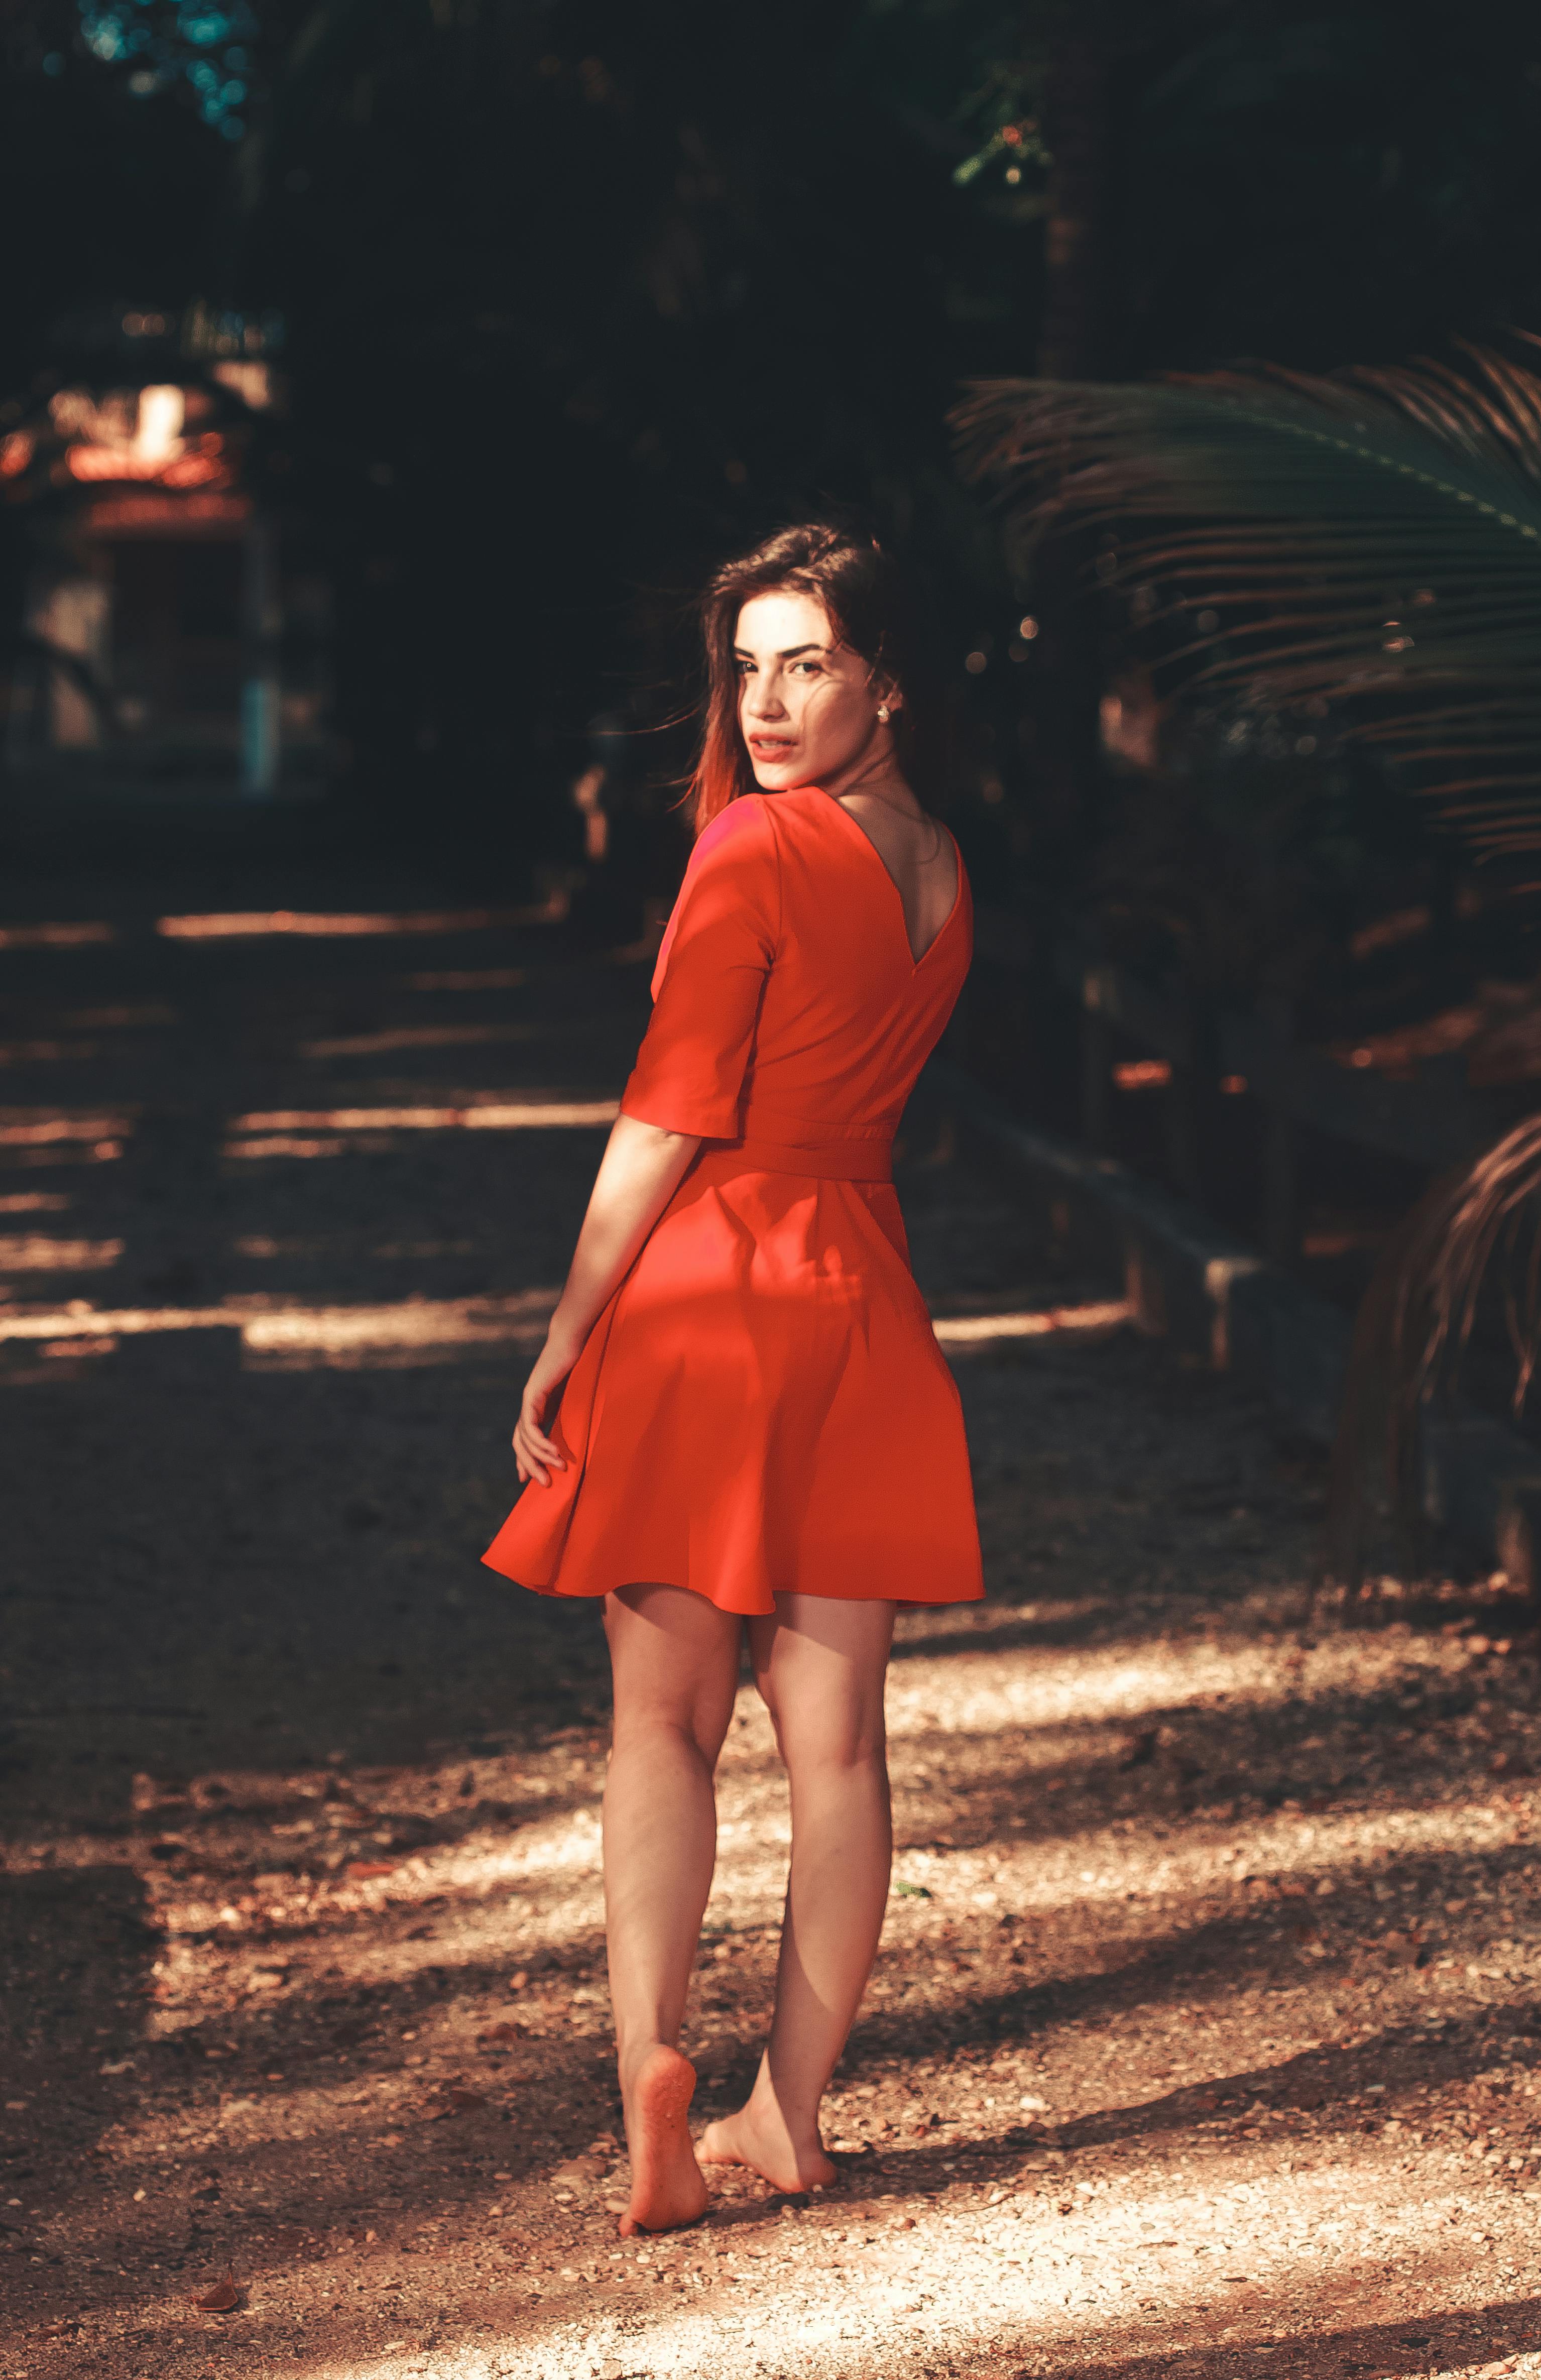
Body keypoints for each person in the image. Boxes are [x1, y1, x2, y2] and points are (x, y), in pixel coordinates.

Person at [482, 521, 983, 2235]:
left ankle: (653, 2076)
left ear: (885, 681)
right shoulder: (940, 865)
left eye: (810, 662)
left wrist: (564, 1330)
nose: (767, 701)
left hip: (715, 1287)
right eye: (749, 664)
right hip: (866, 1297)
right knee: (837, 1745)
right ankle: (792, 2107)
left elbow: (670, 1106)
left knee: (663, 1718)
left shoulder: (754, 846)